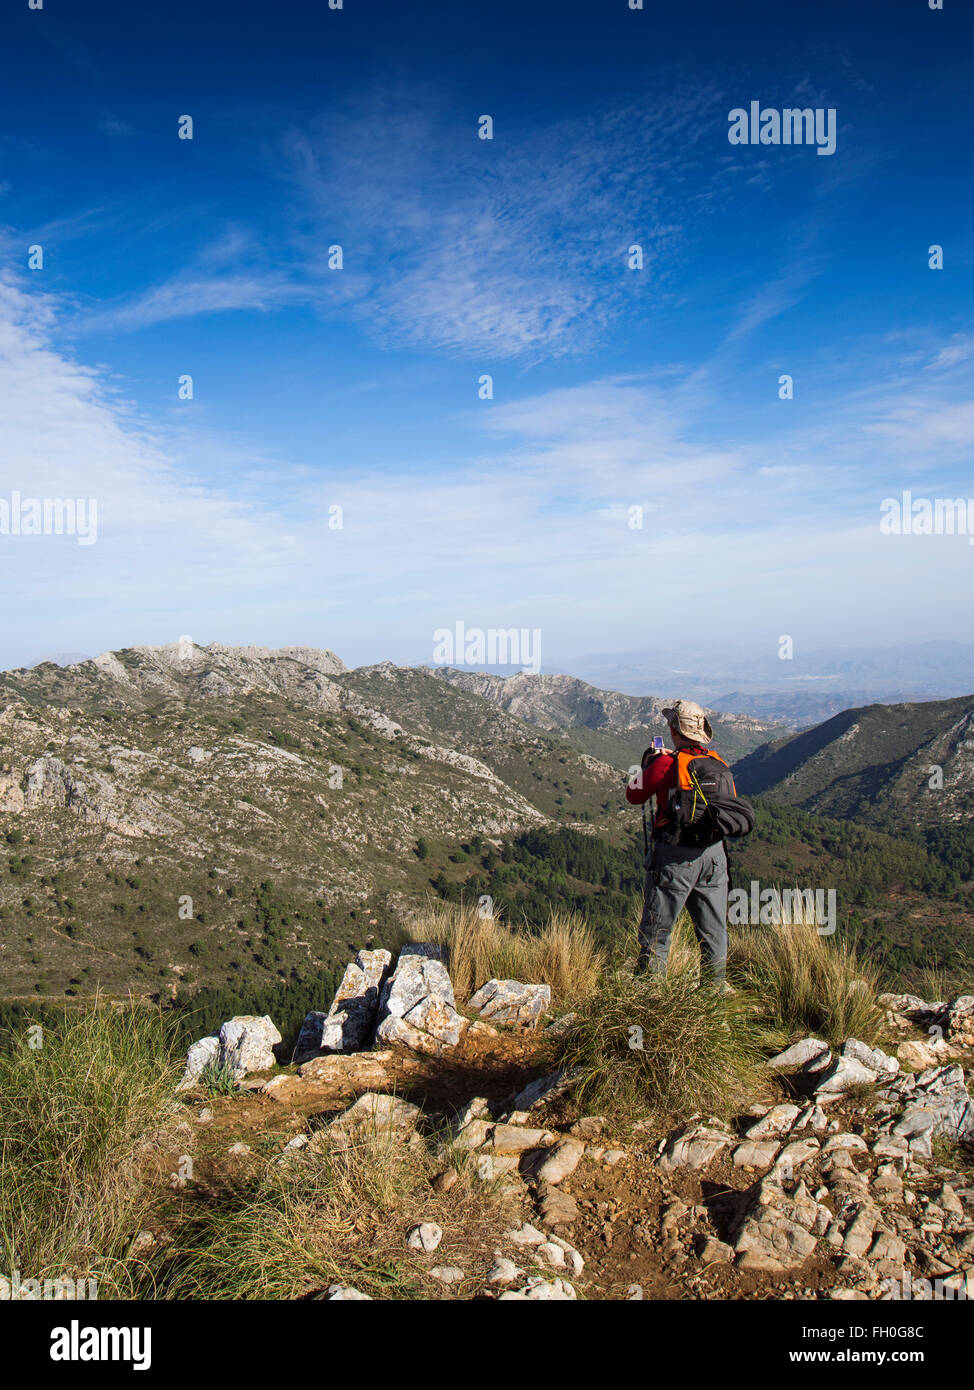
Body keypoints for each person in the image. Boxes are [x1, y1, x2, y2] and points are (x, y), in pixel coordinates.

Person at [626, 699, 731, 985]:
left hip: (675, 857)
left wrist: (649, 763)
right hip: (714, 855)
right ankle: (714, 1000)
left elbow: (633, 794)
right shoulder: (717, 763)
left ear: (674, 730)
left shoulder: (666, 763)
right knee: (713, 933)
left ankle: (650, 999)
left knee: (657, 932)